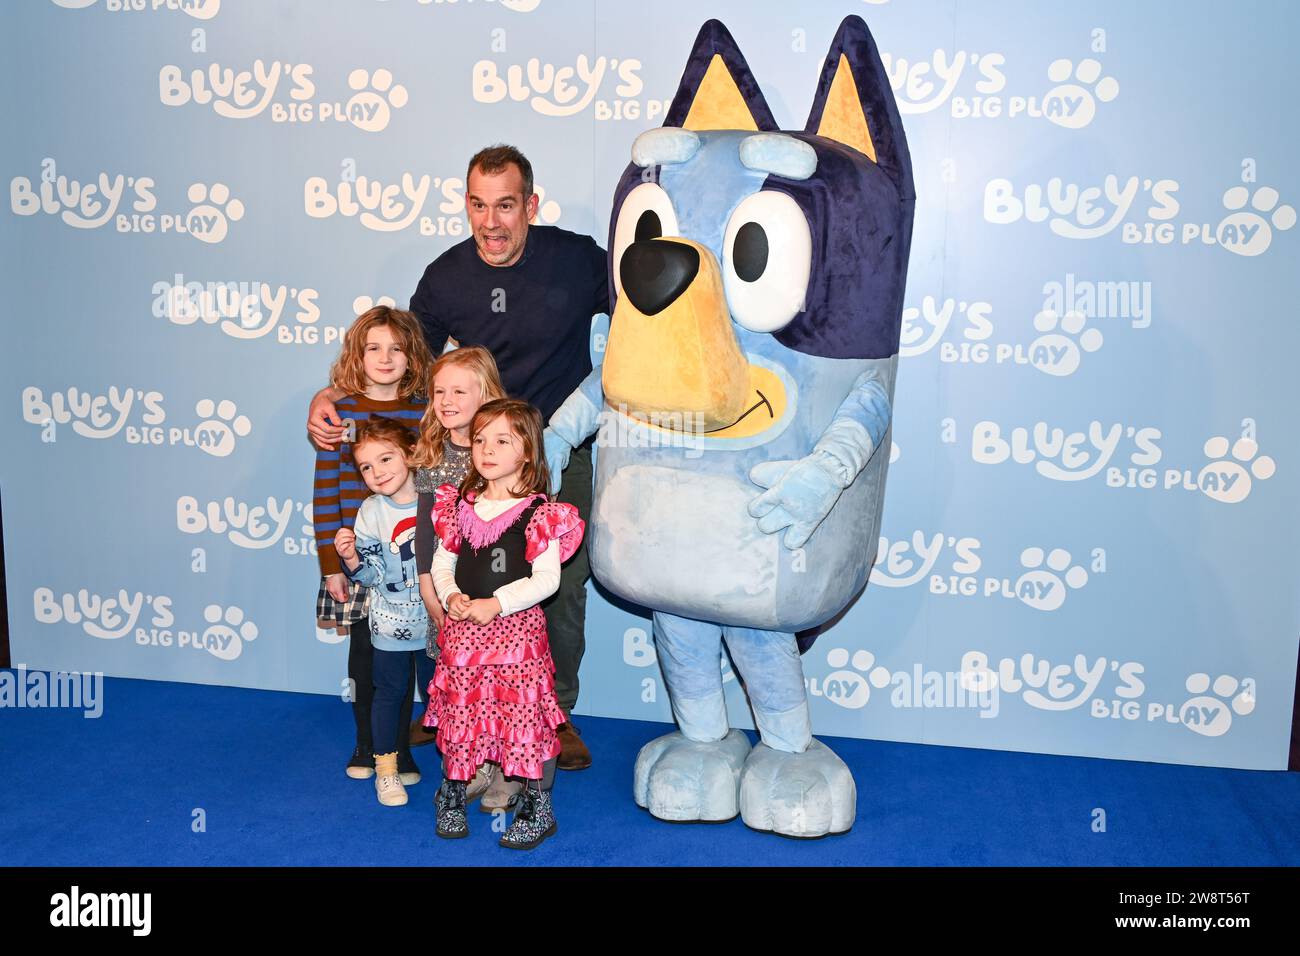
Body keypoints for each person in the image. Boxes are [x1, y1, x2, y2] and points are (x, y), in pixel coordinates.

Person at [307, 145, 609, 770]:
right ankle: (460, 706)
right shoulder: (445, 276)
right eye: (478, 205)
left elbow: (638, 325)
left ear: (531, 204)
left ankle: (552, 715)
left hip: (557, 447)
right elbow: (405, 361)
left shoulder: (579, 260)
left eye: (505, 205)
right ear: (465, 204)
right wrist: (330, 393)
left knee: (560, 586)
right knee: (462, 577)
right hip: (472, 453)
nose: (491, 222)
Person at [423, 399, 584, 849]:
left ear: (528, 451)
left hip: (517, 640)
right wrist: (451, 594)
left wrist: (497, 603)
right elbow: (442, 562)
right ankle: (452, 790)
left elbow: (547, 580)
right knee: (462, 712)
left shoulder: (541, 514)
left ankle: (537, 804)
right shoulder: (457, 505)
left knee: (525, 718)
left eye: (501, 440)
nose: (486, 450)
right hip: (464, 638)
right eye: (479, 440)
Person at [313, 306, 432, 783]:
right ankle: (367, 743)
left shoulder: (426, 410)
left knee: (405, 656)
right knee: (365, 654)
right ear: (356, 356)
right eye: (373, 348)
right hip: (355, 559)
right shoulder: (338, 413)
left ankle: (399, 750)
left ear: (412, 356)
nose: (385, 358)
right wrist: (331, 563)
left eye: (397, 349)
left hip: (410, 561)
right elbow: (325, 490)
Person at [408, 345, 519, 813]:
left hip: (496, 596)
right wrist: (431, 594)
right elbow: (424, 532)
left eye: (459, 390)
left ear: (486, 394)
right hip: (445, 593)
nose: (447, 400)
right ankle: (470, 766)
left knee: (499, 686)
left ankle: (506, 771)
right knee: (459, 689)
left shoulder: (502, 453)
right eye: (439, 392)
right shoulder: (431, 455)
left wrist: (502, 600)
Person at [335, 416, 431, 807]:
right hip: (390, 625)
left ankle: (460, 771)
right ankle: (387, 771)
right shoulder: (370, 512)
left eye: (386, 459)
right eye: (367, 467)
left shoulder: (435, 498)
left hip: (438, 625)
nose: (377, 472)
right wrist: (351, 558)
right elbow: (372, 576)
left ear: (410, 454)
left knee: (442, 695)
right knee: (388, 694)